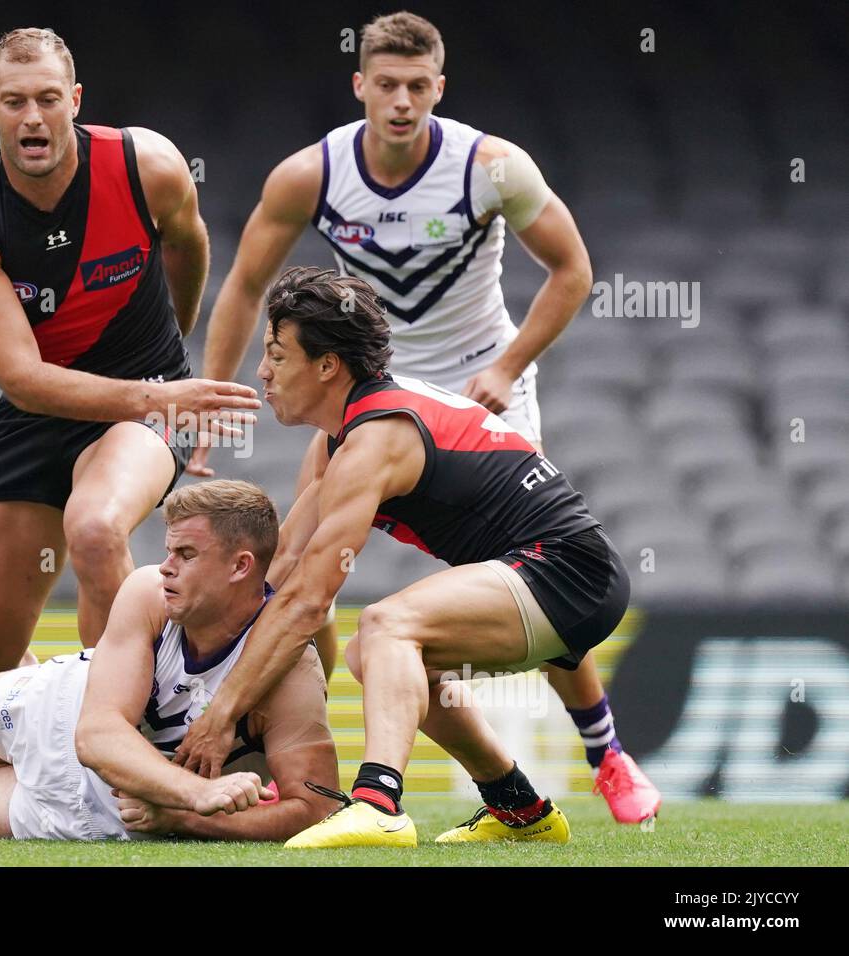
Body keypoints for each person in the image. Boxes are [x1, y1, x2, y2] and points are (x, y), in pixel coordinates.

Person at [190, 11, 658, 821]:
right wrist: (210, 400)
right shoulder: (312, 174)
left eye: (418, 86)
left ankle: (601, 749)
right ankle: (349, 761)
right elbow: (240, 285)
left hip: (474, 389)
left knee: (460, 594)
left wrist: (506, 368)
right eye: (387, 84)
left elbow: (573, 270)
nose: (402, 101)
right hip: (367, 380)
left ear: (439, 90)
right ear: (359, 85)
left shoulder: (492, 167)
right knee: (307, 579)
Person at [177, 267, 633, 848]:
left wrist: (221, 716)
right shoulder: (343, 436)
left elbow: (309, 598)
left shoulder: (377, 437)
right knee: (375, 654)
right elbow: (285, 564)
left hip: (569, 569)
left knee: (386, 624)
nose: (262, 371)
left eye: (276, 354)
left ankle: (378, 804)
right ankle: (521, 809)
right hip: (546, 571)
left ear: (327, 366)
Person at [0, 27, 259, 680]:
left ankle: (132, 733)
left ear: (75, 100)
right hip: (45, 412)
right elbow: (24, 382)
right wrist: (162, 395)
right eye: (15, 101)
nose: (33, 117)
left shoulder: (149, 167)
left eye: (48, 98)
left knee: (95, 527)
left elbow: (187, 245)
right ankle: (51, 747)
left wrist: (171, 353)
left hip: (142, 412)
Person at [0, 480, 338, 841]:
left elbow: (316, 808)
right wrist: (197, 794)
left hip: (98, 811)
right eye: (168, 550)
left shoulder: (292, 671)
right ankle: (19, 691)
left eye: (186, 555)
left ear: (240, 566)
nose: (166, 567)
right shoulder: (148, 591)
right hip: (61, 708)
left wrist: (184, 819)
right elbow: (98, 735)